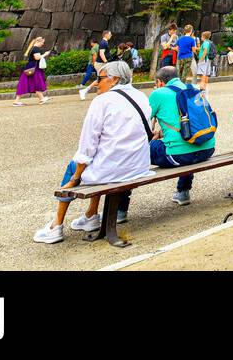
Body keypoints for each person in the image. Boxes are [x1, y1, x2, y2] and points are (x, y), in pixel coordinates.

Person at [34, 61, 152, 243]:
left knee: (76, 165)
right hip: (138, 166)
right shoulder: (141, 96)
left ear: (114, 79)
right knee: (97, 160)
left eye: (100, 78)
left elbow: (87, 146)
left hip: (114, 170)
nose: (96, 83)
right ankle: (90, 215)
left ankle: (55, 226)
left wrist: (75, 178)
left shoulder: (102, 101)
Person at [148, 65, 216, 205]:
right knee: (186, 143)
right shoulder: (192, 89)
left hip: (179, 156)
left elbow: (143, 122)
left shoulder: (158, 93)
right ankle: (183, 192)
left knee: (145, 148)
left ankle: (121, 208)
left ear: (160, 82)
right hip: (207, 149)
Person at [13, 36, 50, 106]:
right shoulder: (36, 49)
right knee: (36, 82)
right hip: (34, 69)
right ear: (38, 41)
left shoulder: (33, 48)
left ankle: (41, 98)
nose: (43, 44)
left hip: (30, 68)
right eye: (42, 42)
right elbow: (37, 58)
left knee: (26, 83)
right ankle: (41, 98)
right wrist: (45, 54)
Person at [78, 30, 112, 100]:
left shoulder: (104, 42)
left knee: (103, 79)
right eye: (110, 34)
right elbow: (101, 54)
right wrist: (106, 62)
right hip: (101, 64)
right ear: (105, 35)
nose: (111, 35)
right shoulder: (103, 43)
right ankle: (85, 91)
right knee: (101, 79)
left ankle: (102, 92)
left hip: (101, 64)